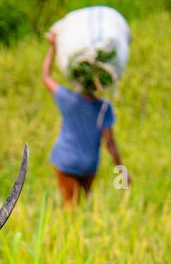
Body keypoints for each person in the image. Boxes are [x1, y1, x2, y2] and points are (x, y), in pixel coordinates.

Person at [41, 33, 129, 207]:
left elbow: (45, 76)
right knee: (82, 207)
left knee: (70, 207)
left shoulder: (68, 99)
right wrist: (121, 172)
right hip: (89, 166)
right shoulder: (104, 108)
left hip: (66, 161)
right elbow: (110, 143)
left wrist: (52, 47)